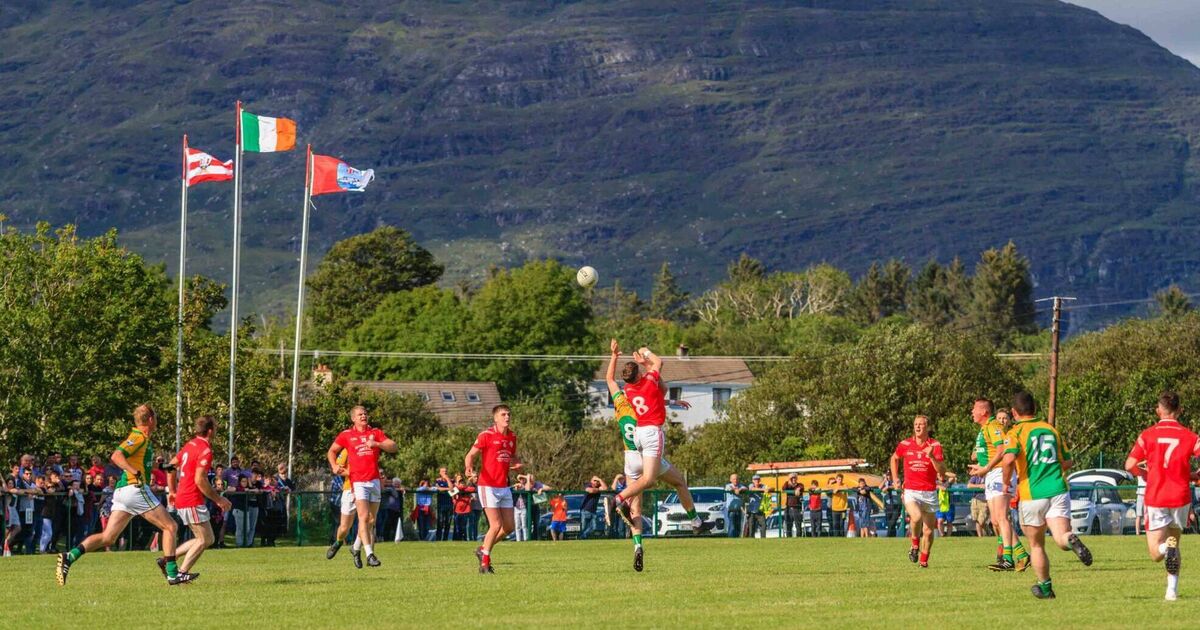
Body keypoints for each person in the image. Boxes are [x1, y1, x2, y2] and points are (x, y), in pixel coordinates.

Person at [605, 339, 704, 571]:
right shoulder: (646, 391)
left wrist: (614, 356)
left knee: (636, 509)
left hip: (631, 456)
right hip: (647, 448)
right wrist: (646, 358)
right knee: (677, 482)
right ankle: (694, 520)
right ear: (639, 374)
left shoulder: (623, 400)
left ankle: (638, 546)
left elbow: (610, 380)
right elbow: (657, 392)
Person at [57, 404, 183, 585]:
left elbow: (145, 464)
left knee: (108, 537)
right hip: (134, 489)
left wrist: (165, 466)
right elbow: (116, 456)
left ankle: (69, 557)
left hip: (123, 492)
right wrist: (134, 471)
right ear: (150, 420)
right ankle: (172, 573)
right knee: (170, 526)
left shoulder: (144, 440)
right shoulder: (138, 437)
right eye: (155, 417)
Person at [1001, 391, 1092, 600]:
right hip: (1058, 489)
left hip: (1033, 493)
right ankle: (1071, 540)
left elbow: (1008, 460)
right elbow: (1067, 461)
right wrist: (1049, 469)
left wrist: (1006, 483)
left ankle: (1045, 587)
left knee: (1036, 545)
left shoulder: (1015, 432)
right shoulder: (1050, 429)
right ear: (1035, 409)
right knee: (1061, 536)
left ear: (1014, 412)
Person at [1124, 390, 1200, 601]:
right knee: (1175, 542)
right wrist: (1195, 475)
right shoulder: (1190, 436)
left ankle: (1166, 548)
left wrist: (1144, 474)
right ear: (1180, 410)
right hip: (1181, 497)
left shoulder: (1147, 435)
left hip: (1157, 496)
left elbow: (1129, 465)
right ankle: (1171, 591)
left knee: (1156, 553)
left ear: (1158, 410)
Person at [328, 405, 399, 568]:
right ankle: (364, 552)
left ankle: (355, 548)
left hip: (373, 481)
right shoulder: (346, 436)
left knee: (370, 520)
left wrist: (377, 444)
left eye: (365, 413)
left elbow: (394, 447)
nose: (363, 416)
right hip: (355, 483)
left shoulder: (375, 433)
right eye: (360, 414)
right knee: (348, 525)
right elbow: (332, 453)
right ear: (353, 418)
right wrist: (335, 466)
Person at [166, 416, 232, 582]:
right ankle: (180, 573)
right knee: (204, 539)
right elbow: (200, 479)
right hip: (191, 498)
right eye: (215, 428)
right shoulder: (205, 450)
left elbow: (169, 467)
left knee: (206, 538)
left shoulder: (190, 444)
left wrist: (172, 491)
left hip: (184, 497)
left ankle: (168, 559)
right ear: (210, 431)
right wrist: (218, 499)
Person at [967, 399, 1029, 572]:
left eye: (974, 408)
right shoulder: (984, 428)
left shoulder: (993, 426)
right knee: (995, 520)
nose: (972, 412)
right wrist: (981, 467)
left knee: (1001, 517)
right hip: (991, 474)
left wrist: (986, 467)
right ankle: (1022, 555)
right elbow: (990, 452)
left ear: (984, 412)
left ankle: (1007, 559)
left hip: (1000, 472)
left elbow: (1002, 450)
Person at [465, 404, 523, 573]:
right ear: (495, 418)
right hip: (487, 486)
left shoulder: (512, 437)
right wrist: (469, 467)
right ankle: (484, 564)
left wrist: (518, 465)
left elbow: (513, 456)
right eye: (503, 414)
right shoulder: (486, 435)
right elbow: (470, 455)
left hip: (504, 486)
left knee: (509, 527)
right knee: (496, 525)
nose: (507, 417)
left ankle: (483, 549)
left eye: (509, 414)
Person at [890, 414, 946, 568]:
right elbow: (894, 458)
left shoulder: (935, 445)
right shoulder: (905, 444)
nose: (918, 427)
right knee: (916, 517)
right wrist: (895, 478)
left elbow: (942, 470)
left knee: (928, 531)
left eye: (921, 424)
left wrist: (932, 456)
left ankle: (923, 561)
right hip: (911, 490)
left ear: (928, 427)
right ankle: (915, 544)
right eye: (916, 424)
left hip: (929, 491)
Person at [452, 474, 476, 541]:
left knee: (464, 526)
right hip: (457, 510)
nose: (462, 484)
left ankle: (464, 539)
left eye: (463, 483)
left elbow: (473, 489)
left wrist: (463, 488)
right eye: (461, 483)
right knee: (457, 526)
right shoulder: (456, 488)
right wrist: (460, 488)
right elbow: (451, 492)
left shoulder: (466, 488)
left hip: (466, 510)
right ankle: (457, 539)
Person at [434, 467, 454, 542]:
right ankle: (438, 538)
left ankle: (445, 539)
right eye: (443, 471)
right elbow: (439, 489)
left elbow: (452, 488)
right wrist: (447, 489)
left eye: (445, 471)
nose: (444, 473)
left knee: (448, 522)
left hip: (449, 504)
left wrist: (447, 479)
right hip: (441, 505)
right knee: (440, 522)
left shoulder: (450, 480)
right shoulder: (437, 481)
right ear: (440, 473)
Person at [724, 474, 746, 538]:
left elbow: (745, 488)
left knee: (738, 526)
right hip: (731, 510)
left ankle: (737, 540)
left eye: (736, 479)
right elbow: (730, 489)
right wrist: (735, 490)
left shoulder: (740, 486)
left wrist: (740, 490)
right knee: (732, 526)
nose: (735, 480)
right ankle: (731, 539)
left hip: (739, 509)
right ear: (730, 480)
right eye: (734, 479)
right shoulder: (728, 485)